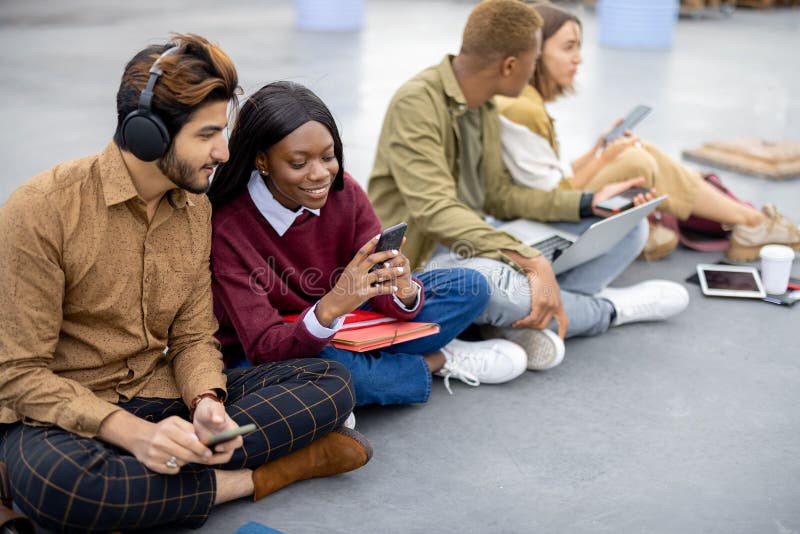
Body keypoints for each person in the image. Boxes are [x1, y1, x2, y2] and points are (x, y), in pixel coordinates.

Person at [0, 35, 371, 533]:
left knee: (331, 383)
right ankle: (253, 478)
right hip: (64, 411)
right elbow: (19, 374)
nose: (224, 151)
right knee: (58, 486)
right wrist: (132, 435)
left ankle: (147, 486)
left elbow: (196, 336)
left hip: (158, 390)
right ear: (147, 135)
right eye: (207, 134)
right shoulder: (43, 210)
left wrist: (208, 405)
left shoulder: (196, 209)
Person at [367, 0, 690, 369]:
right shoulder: (416, 102)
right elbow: (436, 210)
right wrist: (531, 260)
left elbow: (498, 196)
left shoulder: (484, 104)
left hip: (481, 239)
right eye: (534, 59)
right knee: (491, 286)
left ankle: (518, 320)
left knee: (628, 228)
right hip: (425, 265)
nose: (536, 68)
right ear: (510, 65)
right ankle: (609, 309)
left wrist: (587, 203)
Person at [207, 81, 528, 404]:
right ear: (262, 161)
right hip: (277, 349)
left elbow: (379, 289)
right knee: (332, 369)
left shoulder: (343, 191)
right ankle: (436, 361)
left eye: (328, 156)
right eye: (299, 163)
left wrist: (403, 289)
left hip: (347, 319)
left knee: (469, 285)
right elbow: (264, 346)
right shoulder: (228, 228)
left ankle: (370, 377)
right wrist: (333, 305)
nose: (320, 174)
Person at [496, 1, 800, 262]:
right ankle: (751, 222)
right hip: (529, 222)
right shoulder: (524, 110)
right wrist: (603, 160)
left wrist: (599, 149)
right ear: (534, 53)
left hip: (535, 206)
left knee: (635, 154)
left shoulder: (523, 100)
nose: (579, 58)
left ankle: (748, 220)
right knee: (638, 162)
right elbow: (550, 197)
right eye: (568, 47)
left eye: (579, 46)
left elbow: (548, 175)